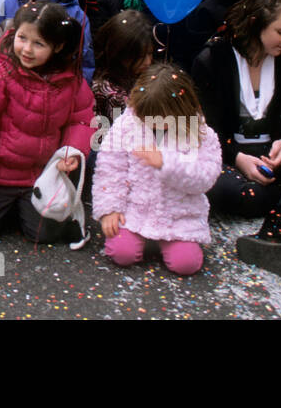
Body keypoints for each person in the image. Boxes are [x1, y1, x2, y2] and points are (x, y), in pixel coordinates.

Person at [192, 0, 281, 281]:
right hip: (224, 155)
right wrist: (237, 157)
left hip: (271, 155)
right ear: (256, 25)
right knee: (249, 195)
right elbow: (203, 128)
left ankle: (275, 234)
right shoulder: (212, 59)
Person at [0, 2, 93, 244]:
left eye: (39, 44)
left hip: (41, 175)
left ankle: (18, 209)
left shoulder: (70, 78)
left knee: (45, 236)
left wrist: (71, 152)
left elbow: (81, 120)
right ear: (13, 33)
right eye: (22, 38)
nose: (27, 49)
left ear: (58, 46)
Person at [94, 63, 222, 275]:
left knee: (186, 264)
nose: (153, 123)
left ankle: (167, 244)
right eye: (146, 116)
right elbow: (109, 168)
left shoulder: (200, 133)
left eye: (162, 119)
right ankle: (141, 240)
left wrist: (166, 164)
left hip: (179, 216)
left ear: (181, 109)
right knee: (120, 253)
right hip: (134, 212)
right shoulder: (127, 124)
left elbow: (205, 178)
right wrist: (110, 209)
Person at [91, 10, 154, 121]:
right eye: (140, 57)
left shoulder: (138, 75)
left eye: (150, 53)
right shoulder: (110, 93)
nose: (148, 62)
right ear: (119, 53)